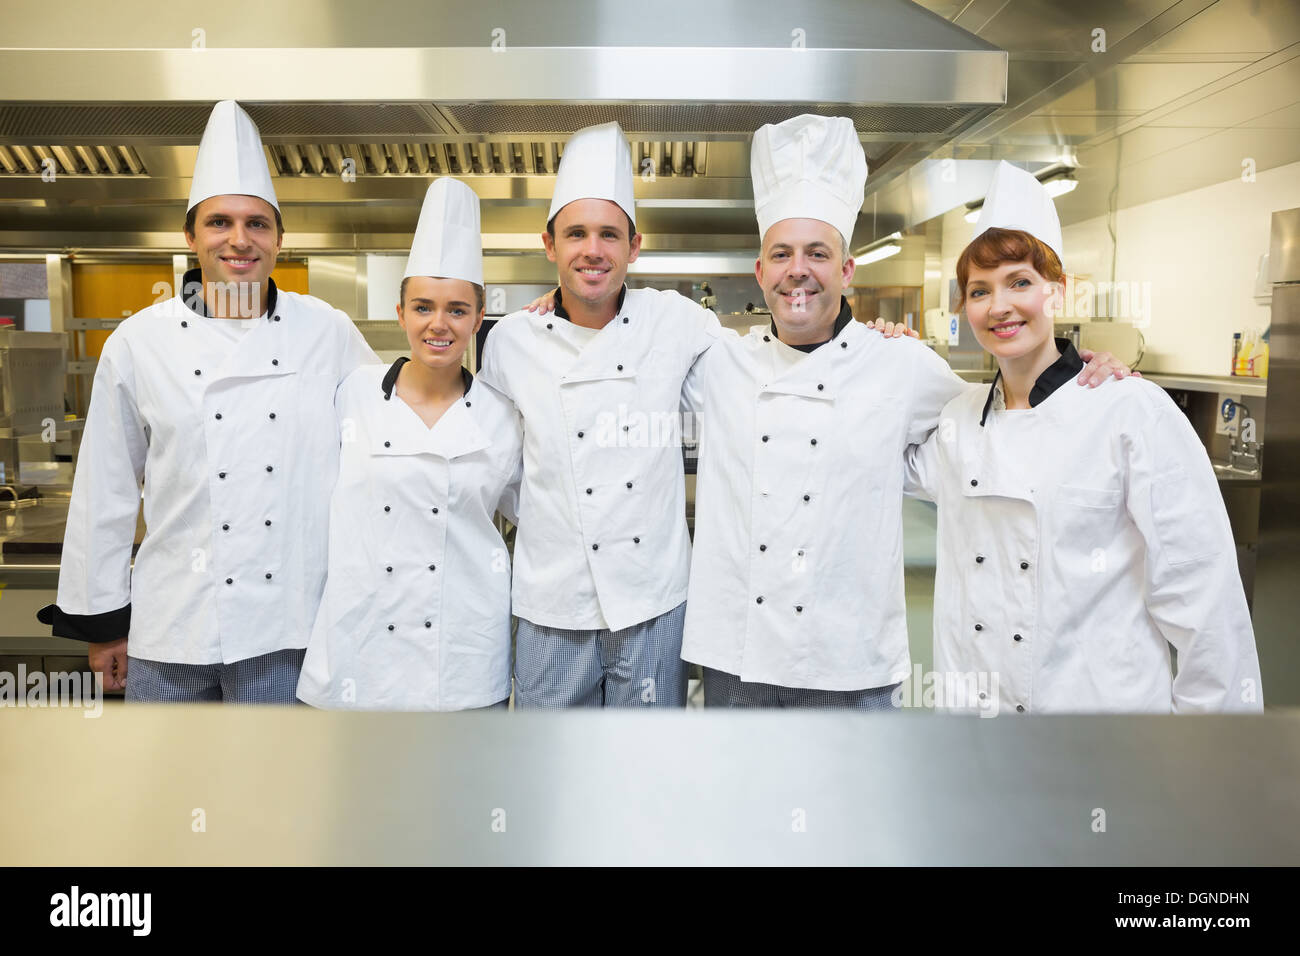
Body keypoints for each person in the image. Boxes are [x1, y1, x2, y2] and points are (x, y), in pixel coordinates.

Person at [678, 116, 1131, 708]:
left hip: (853, 659)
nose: (798, 270)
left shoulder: (901, 364)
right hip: (736, 655)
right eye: (781, 254)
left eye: (818, 253)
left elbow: (1005, 419)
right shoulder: (716, 364)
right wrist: (553, 310)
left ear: (846, 271)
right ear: (760, 272)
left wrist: (1080, 374)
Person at [38, 101, 377, 703]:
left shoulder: (328, 331)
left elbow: (391, 436)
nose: (239, 240)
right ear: (190, 236)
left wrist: (519, 329)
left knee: (285, 795)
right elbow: (105, 491)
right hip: (173, 631)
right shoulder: (140, 341)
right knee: (172, 792)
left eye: (257, 224)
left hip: (294, 629)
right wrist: (103, 625)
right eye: (219, 222)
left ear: (279, 238)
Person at [902, 161, 1263, 713]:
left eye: (1019, 282)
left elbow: (1202, 594)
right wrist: (887, 354)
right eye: (979, 290)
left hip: (1103, 734)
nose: (999, 305)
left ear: (1058, 293)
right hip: (974, 734)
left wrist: (1209, 758)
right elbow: (871, 452)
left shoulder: (1130, 411)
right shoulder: (957, 422)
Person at [477, 122, 724, 708]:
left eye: (610, 235)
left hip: (653, 605)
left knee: (648, 772)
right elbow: (496, 466)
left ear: (634, 247)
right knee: (549, 771)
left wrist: (861, 341)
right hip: (549, 605)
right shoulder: (511, 341)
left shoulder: (677, 322)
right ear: (550, 245)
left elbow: (762, 377)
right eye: (577, 234)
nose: (593, 250)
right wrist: (551, 518)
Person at [296, 178, 522, 710]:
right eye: (422, 307)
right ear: (400, 314)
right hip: (357, 653)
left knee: (461, 794)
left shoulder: (502, 414)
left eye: (457, 310)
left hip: (463, 659)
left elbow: (541, 516)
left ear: (478, 318)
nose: (438, 324)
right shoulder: (350, 395)